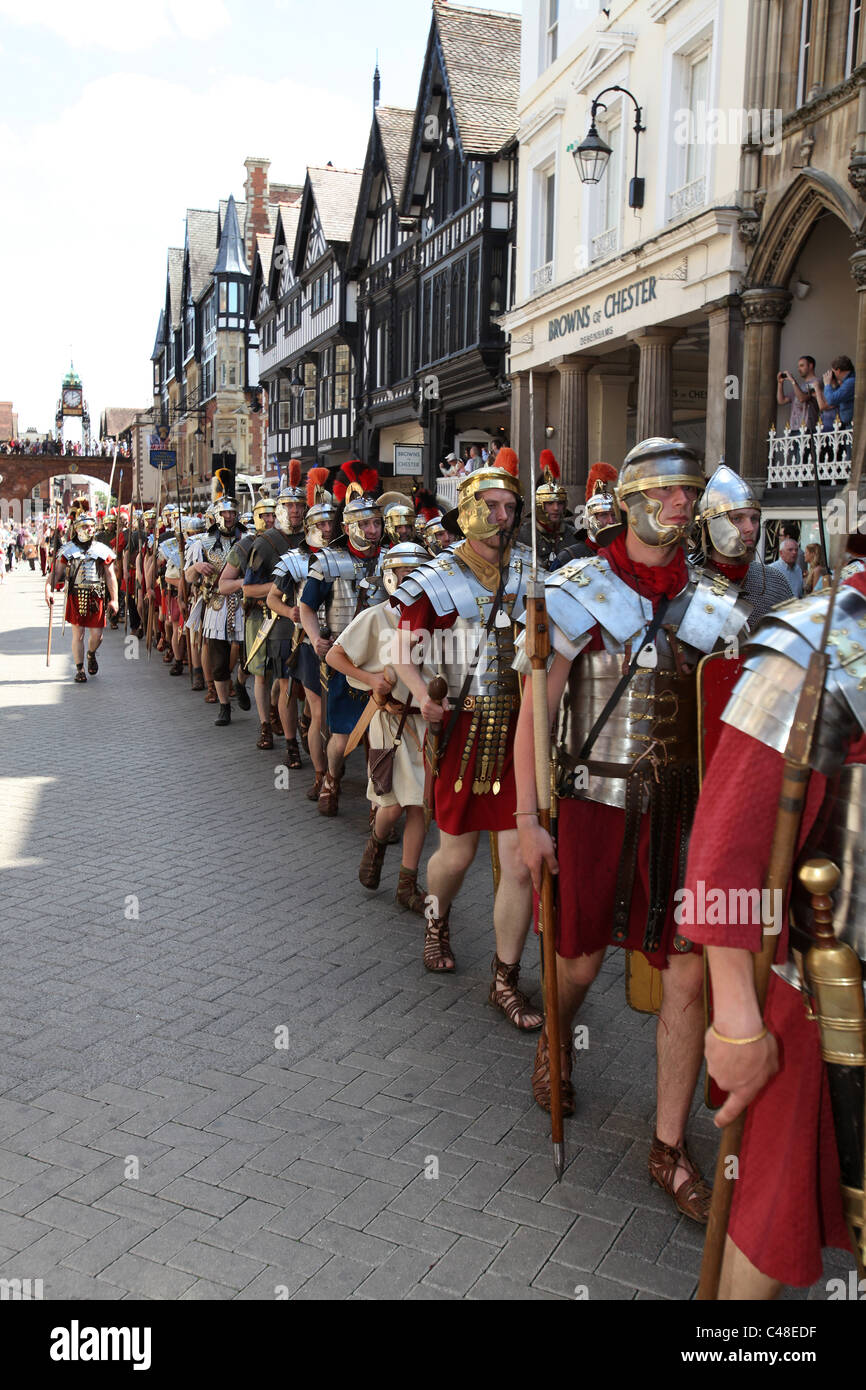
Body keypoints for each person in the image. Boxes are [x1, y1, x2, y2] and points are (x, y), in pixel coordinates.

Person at [514, 438, 756, 1224]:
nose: (685, 505)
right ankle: (557, 1040)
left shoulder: (715, 598)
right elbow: (536, 711)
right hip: (594, 802)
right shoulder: (576, 588)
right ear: (631, 501)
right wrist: (527, 817)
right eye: (670, 492)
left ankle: (667, 1147)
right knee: (578, 962)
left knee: (687, 973)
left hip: (684, 809)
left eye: (692, 494)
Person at [683, 561, 866, 1296]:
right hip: (830, 1003)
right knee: (769, 1224)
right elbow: (725, 860)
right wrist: (734, 1021)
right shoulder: (818, 647)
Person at [391, 450, 544, 1031]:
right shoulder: (435, 579)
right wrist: (423, 697)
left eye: (512, 506)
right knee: (456, 854)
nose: (506, 516)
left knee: (518, 862)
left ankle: (504, 978)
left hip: (521, 731)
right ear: (469, 509)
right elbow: (401, 653)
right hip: (464, 730)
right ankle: (436, 918)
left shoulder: (533, 570)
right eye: (494, 505)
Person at [327, 540, 432, 916]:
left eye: (419, 574)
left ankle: (407, 881)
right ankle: (377, 839)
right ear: (390, 577)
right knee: (392, 804)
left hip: (425, 723)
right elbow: (334, 655)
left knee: (419, 804)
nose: (412, 582)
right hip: (390, 720)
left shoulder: (436, 614)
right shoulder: (376, 617)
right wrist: (370, 678)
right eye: (405, 574)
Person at [299, 464, 384, 817]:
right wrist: (316, 637)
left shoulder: (392, 560)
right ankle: (332, 780)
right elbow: (306, 607)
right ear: (350, 527)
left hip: (383, 660)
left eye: (377, 522)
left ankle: (379, 805)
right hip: (342, 657)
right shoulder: (328, 562)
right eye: (366, 524)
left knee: (379, 738)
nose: (373, 529)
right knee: (342, 736)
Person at [268, 473, 340, 800]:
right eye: (321, 525)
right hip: (309, 644)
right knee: (319, 712)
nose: (327, 530)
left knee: (330, 715)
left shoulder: (344, 557)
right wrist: (290, 612)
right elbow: (272, 598)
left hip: (344, 644)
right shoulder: (293, 561)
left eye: (331, 525)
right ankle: (321, 775)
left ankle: (334, 769)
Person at [244, 467, 307, 763]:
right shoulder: (265, 543)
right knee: (286, 686)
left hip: (315, 621)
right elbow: (248, 589)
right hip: (280, 621)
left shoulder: (315, 537)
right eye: (289, 506)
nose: (295, 511)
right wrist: (282, 586)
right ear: (280, 508)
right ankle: (291, 743)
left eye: (299, 506)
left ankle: (306, 725)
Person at [691, 465, 793, 625]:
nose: (750, 528)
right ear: (711, 525)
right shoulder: (688, 581)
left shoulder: (775, 583)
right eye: (737, 518)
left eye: (754, 518)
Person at [184, 497, 246, 727]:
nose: (229, 517)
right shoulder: (202, 543)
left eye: (232, 513)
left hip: (245, 603)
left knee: (249, 659)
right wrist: (196, 567)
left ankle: (239, 683)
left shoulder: (248, 539)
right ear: (216, 516)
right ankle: (224, 706)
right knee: (218, 660)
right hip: (216, 606)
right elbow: (188, 577)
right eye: (224, 513)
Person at [47, 511, 118, 681]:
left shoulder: (101, 549)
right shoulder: (68, 549)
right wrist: (48, 589)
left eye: (92, 526)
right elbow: (56, 572)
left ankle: (91, 654)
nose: (90, 529)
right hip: (75, 595)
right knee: (78, 634)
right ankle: (79, 670)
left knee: (97, 636)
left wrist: (114, 599)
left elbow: (110, 575)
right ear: (78, 529)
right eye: (86, 526)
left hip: (96, 596)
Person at [517, 449, 577, 566]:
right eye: (550, 503)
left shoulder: (573, 535)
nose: (556, 508)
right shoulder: (523, 535)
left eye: (560, 503)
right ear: (540, 504)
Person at [776, 355, 820, 432]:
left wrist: (792, 381)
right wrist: (780, 383)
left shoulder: (817, 382)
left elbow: (802, 398)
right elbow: (781, 400)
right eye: (798, 366)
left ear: (810, 366)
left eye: (802, 366)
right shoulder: (799, 385)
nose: (799, 369)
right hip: (793, 428)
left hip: (807, 428)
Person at [815, 354, 855, 431]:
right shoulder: (847, 382)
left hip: (851, 425)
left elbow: (831, 400)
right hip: (848, 425)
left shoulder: (850, 382)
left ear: (838, 370)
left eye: (833, 372)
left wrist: (827, 384)